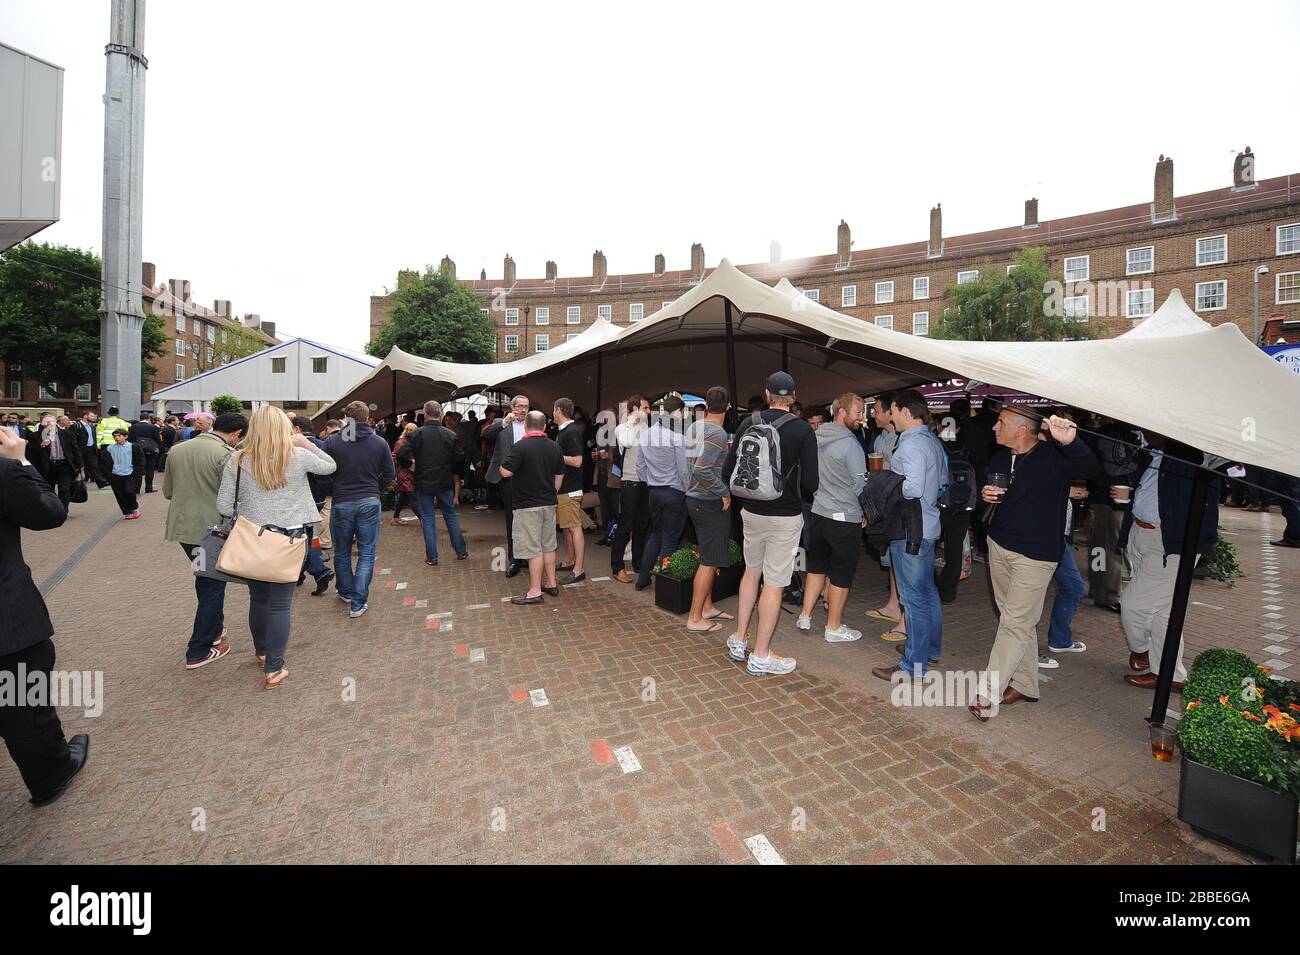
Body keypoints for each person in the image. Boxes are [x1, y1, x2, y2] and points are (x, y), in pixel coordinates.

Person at [968, 408, 1100, 721]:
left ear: (1024, 429)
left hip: (1036, 555)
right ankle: (1026, 683)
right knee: (1014, 618)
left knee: (1014, 622)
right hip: (999, 545)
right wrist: (986, 496)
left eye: (1001, 422)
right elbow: (995, 500)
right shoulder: (999, 457)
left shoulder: (1053, 457)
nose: (995, 426)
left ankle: (989, 691)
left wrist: (1071, 441)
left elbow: (1091, 468)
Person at [0, 425, 90, 807]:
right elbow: (49, 512)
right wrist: (19, 460)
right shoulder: (4, 471)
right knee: (24, 706)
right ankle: (51, 774)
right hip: (9, 624)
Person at [216, 406, 336, 688]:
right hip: (290, 539)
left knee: (258, 599)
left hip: (253, 539)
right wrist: (306, 442)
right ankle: (274, 668)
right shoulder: (298, 455)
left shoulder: (237, 459)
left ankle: (261, 653)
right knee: (281, 605)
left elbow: (223, 505)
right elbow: (330, 465)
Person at [721, 372, 819, 676]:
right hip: (785, 516)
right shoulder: (803, 430)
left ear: (766, 393)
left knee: (751, 573)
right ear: (793, 396)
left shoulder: (747, 423)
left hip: (750, 511)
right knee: (774, 584)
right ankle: (761, 656)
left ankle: (739, 640)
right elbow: (812, 483)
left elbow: (728, 471)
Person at [1118, 433, 1219, 690]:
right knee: (1164, 611)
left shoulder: (1194, 453)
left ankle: (1140, 650)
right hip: (1140, 533)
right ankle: (1170, 674)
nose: (1144, 431)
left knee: (1133, 604)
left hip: (1171, 543)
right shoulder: (1152, 452)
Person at [869, 390, 947, 682]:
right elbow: (940, 483)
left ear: (904, 411)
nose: (890, 416)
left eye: (894, 411)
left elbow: (912, 488)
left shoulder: (912, 445)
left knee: (913, 598)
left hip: (909, 528)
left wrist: (883, 485)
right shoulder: (932, 441)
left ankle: (913, 666)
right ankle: (927, 649)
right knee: (927, 593)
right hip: (927, 526)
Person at [164, 411, 248, 668]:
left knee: (206, 579)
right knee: (211, 585)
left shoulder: (178, 449)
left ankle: (213, 631)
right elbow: (235, 497)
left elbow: (168, 491)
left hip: (182, 528)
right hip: (212, 530)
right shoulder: (226, 455)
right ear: (236, 434)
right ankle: (198, 650)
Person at [799, 392, 867, 643]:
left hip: (818, 512)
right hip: (843, 517)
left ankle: (805, 616)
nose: (862, 417)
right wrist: (863, 511)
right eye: (858, 412)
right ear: (842, 412)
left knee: (816, 567)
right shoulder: (850, 444)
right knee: (841, 573)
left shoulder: (815, 437)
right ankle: (833, 627)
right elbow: (860, 485)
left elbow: (807, 474)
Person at [324, 401, 395, 619]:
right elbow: (389, 474)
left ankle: (346, 592)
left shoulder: (332, 442)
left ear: (346, 418)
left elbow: (320, 472)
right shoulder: (379, 442)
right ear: (366, 418)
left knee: (342, 551)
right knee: (366, 553)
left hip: (342, 501)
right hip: (369, 500)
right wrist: (375, 489)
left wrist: (333, 489)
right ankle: (358, 601)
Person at [498, 410, 565, 604]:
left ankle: (535, 591)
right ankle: (552, 583)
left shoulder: (520, 447)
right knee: (548, 545)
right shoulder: (554, 447)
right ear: (544, 426)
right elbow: (560, 475)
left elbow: (505, 472)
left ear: (526, 426)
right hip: (549, 503)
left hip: (527, 505)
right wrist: (552, 491)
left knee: (533, 549)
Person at [684, 386, 735, 633]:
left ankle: (707, 607)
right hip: (708, 501)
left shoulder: (694, 426)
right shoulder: (718, 433)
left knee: (708, 555)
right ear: (728, 407)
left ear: (705, 403)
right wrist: (724, 492)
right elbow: (702, 470)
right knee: (710, 559)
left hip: (695, 498)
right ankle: (695, 618)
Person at [634, 394, 691, 592]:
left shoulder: (647, 434)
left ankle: (642, 578)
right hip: (674, 492)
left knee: (656, 535)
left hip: (653, 492)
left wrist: (649, 480)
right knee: (670, 539)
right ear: (678, 412)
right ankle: (663, 584)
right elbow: (683, 470)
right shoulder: (678, 437)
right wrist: (687, 487)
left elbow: (640, 465)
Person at [405, 400, 469, 566]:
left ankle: (432, 556)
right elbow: (460, 457)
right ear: (439, 414)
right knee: (450, 516)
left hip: (424, 481)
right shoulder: (450, 434)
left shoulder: (416, 434)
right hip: (444, 480)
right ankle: (461, 551)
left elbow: (401, 455)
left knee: (428, 518)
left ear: (425, 413)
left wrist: (411, 465)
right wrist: (448, 466)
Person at [483, 395, 530, 578]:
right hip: (507, 477)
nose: (523, 410)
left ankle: (526, 555)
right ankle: (514, 558)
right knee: (512, 517)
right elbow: (485, 434)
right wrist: (503, 422)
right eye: (520, 406)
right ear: (512, 407)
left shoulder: (532, 422)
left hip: (527, 476)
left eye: (526, 406)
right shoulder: (501, 423)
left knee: (527, 517)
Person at [291, 418, 336, 596]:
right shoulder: (320, 443)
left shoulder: (293, 448)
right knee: (304, 538)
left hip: (299, 502)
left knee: (300, 540)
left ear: (297, 429)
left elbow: (331, 466)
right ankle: (300, 574)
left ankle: (319, 571)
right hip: (317, 498)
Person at [610, 394, 651, 584]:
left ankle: (639, 563)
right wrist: (633, 421)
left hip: (646, 482)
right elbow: (626, 442)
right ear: (635, 410)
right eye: (645, 408)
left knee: (642, 525)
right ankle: (617, 567)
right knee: (626, 525)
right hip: (630, 482)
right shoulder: (622, 428)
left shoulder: (647, 428)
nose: (648, 411)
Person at [552, 397, 588, 584]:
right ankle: (568, 560)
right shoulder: (564, 431)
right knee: (567, 528)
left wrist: (556, 455)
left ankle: (578, 569)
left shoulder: (571, 432)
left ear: (558, 409)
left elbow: (577, 461)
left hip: (570, 489)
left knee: (574, 528)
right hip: (564, 489)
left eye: (553, 409)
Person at [25, 414, 82, 507]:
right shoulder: (35, 436)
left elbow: (75, 449)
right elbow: (30, 452)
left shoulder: (67, 434)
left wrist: (79, 465)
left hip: (64, 465)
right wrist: (40, 446)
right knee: (49, 490)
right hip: (47, 466)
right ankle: (55, 508)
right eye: (46, 422)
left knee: (64, 489)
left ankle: (63, 509)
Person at [98, 428, 143, 520]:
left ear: (126, 436)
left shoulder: (133, 446)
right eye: (115, 436)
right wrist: (109, 475)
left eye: (119, 436)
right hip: (115, 475)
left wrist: (137, 472)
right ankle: (127, 512)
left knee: (130, 492)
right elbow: (104, 463)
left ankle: (134, 508)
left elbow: (140, 460)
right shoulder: (109, 449)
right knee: (120, 495)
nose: (117, 438)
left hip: (129, 474)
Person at [127, 412, 163, 494]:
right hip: (151, 450)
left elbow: (130, 440)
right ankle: (148, 487)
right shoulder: (153, 427)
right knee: (150, 469)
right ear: (148, 419)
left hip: (137, 450)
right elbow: (158, 439)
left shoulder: (133, 427)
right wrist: (158, 448)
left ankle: (137, 488)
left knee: (137, 469)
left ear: (140, 418)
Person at [390, 422, 418, 526]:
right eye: (411, 430)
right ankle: (424, 519)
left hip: (409, 472)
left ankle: (395, 518)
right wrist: (409, 461)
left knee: (404, 496)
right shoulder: (401, 442)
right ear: (406, 431)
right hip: (404, 473)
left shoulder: (409, 442)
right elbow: (394, 457)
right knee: (412, 495)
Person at [71, 410, 104, 487]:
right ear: (85, 416)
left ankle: (101, 482)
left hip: (91, 448)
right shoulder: (77, 426)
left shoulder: (92, 426)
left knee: (94, 466)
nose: (93, 418)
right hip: (80, 449)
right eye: (91, 416)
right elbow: (73, 439)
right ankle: (73, 483)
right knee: (78, 466)